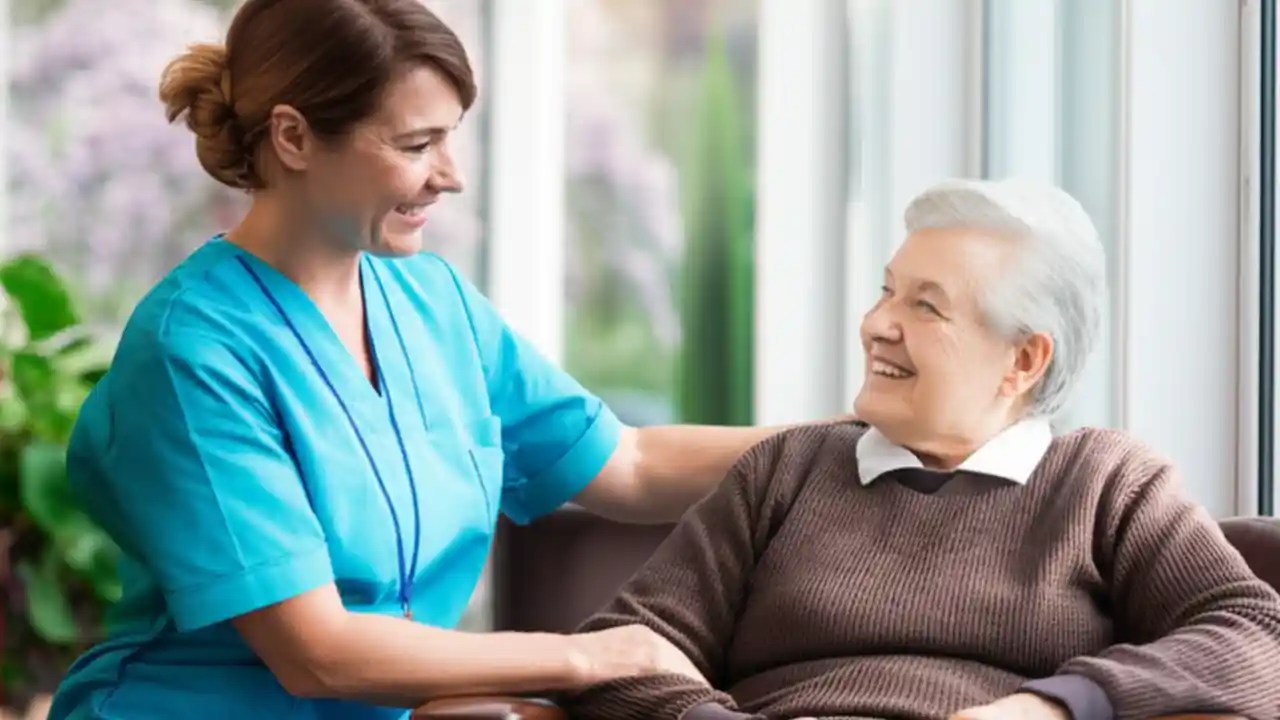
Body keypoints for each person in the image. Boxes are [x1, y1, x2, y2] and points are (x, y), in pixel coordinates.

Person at [45, 1, 833, 718]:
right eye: (417, 143)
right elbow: (316, 652)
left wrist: (838, 445)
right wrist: (588, 656)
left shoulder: (429, 299)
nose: (451, 174)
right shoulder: (193, 351)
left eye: (450, 137)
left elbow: (627, 461)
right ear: (292, 138)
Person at [563, 178, 1280, 720]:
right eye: (885, 293)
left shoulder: (1104, 481)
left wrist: (1052, 706)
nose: (876, 324)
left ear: (1024, 360)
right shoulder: (789, 469)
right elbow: (623, 649)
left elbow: (1255, 635)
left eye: (924, 306)